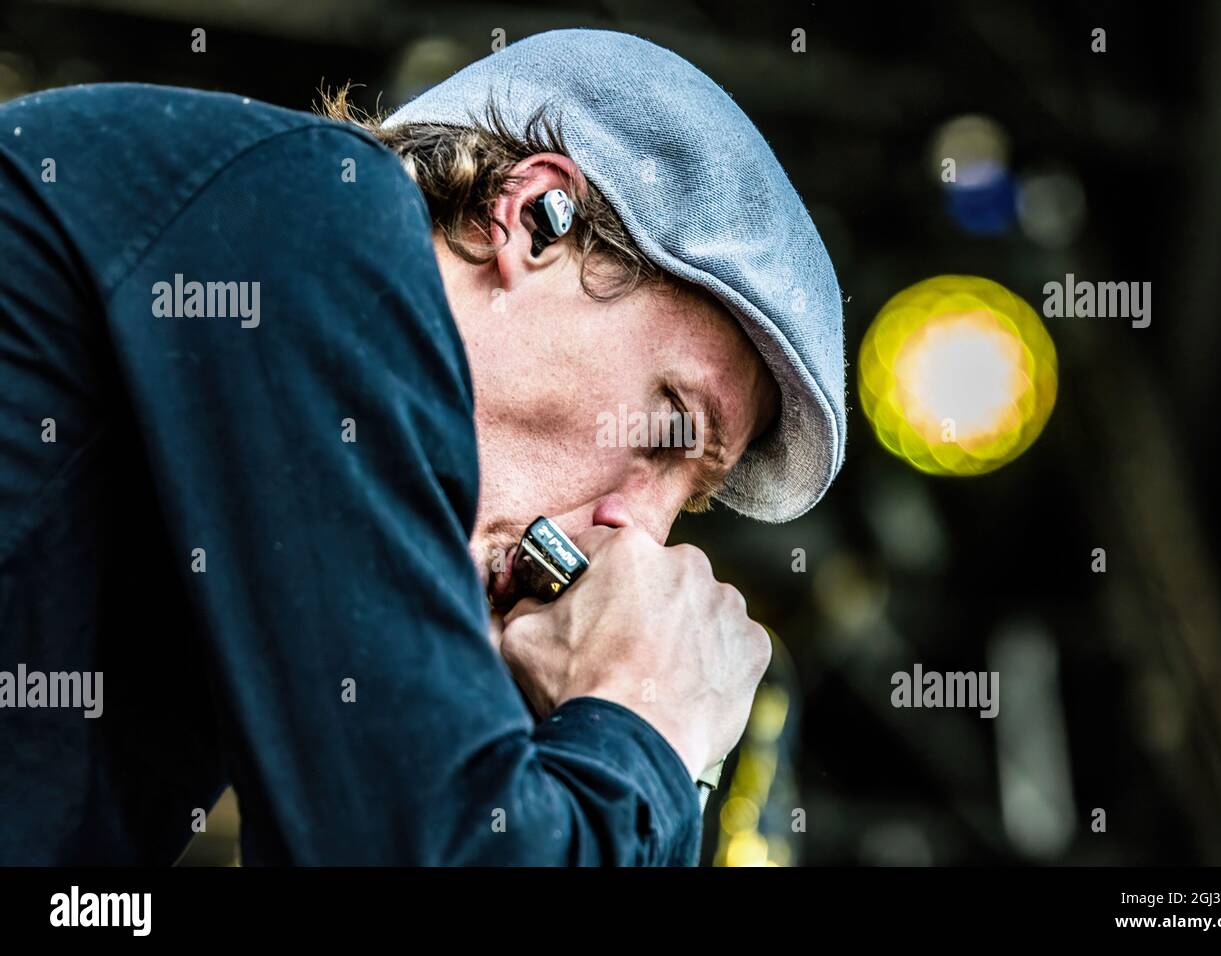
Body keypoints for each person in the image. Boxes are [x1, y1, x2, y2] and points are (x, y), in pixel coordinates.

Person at [0, 29, 844, 865]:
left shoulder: (225, 564)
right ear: (533, 225)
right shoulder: (322, 213)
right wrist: (642, 727)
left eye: (690, 498)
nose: (637, 534)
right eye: (668, 429)